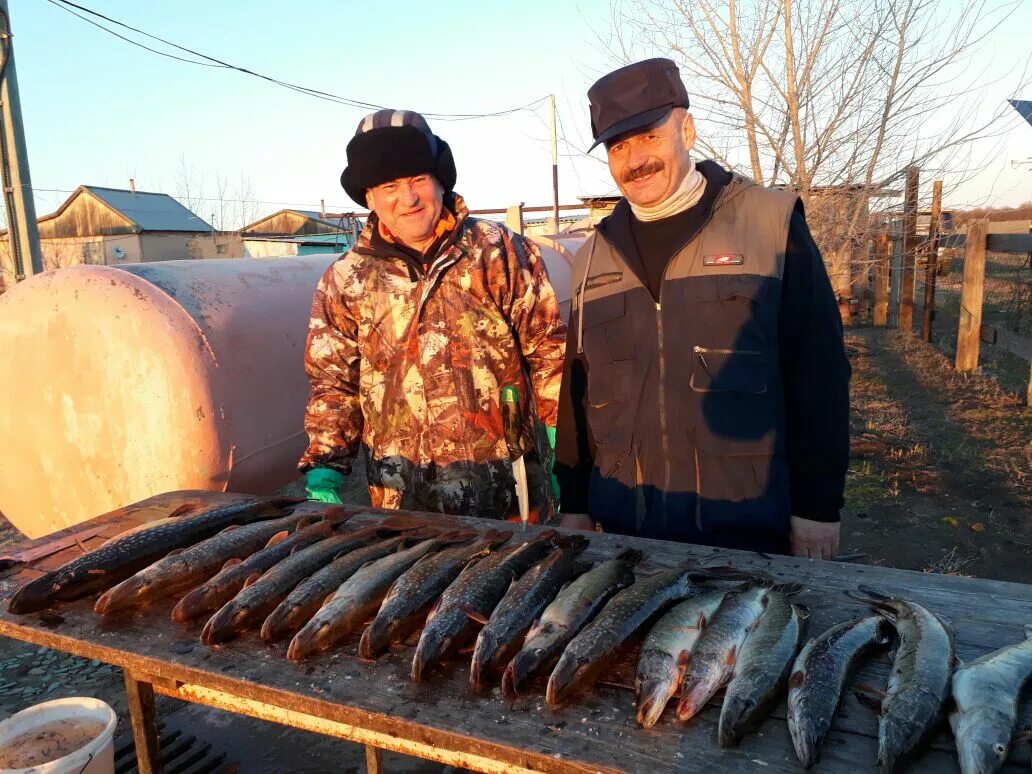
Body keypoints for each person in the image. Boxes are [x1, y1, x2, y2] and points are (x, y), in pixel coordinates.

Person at [554, 59, 851, 558]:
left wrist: (818, 508)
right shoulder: (592, 257)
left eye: (648, 135)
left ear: (685, 128)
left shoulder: (769, 225)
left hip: (750, 535)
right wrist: (576, 501)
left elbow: (819, 375)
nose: (634, 160)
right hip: (626, 537)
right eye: (618, 146)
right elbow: (577, 392)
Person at [299, 109, 566, 519]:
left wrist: (562, 443)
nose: (407, 199)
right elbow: (334, 385)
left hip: (509, 493)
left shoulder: (499, 252)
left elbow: (549, 353)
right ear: (368, 197)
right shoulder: (345, 279)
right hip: (402, 502)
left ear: (441, 181)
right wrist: (324, 468)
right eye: (389, 185)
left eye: (417, 180)